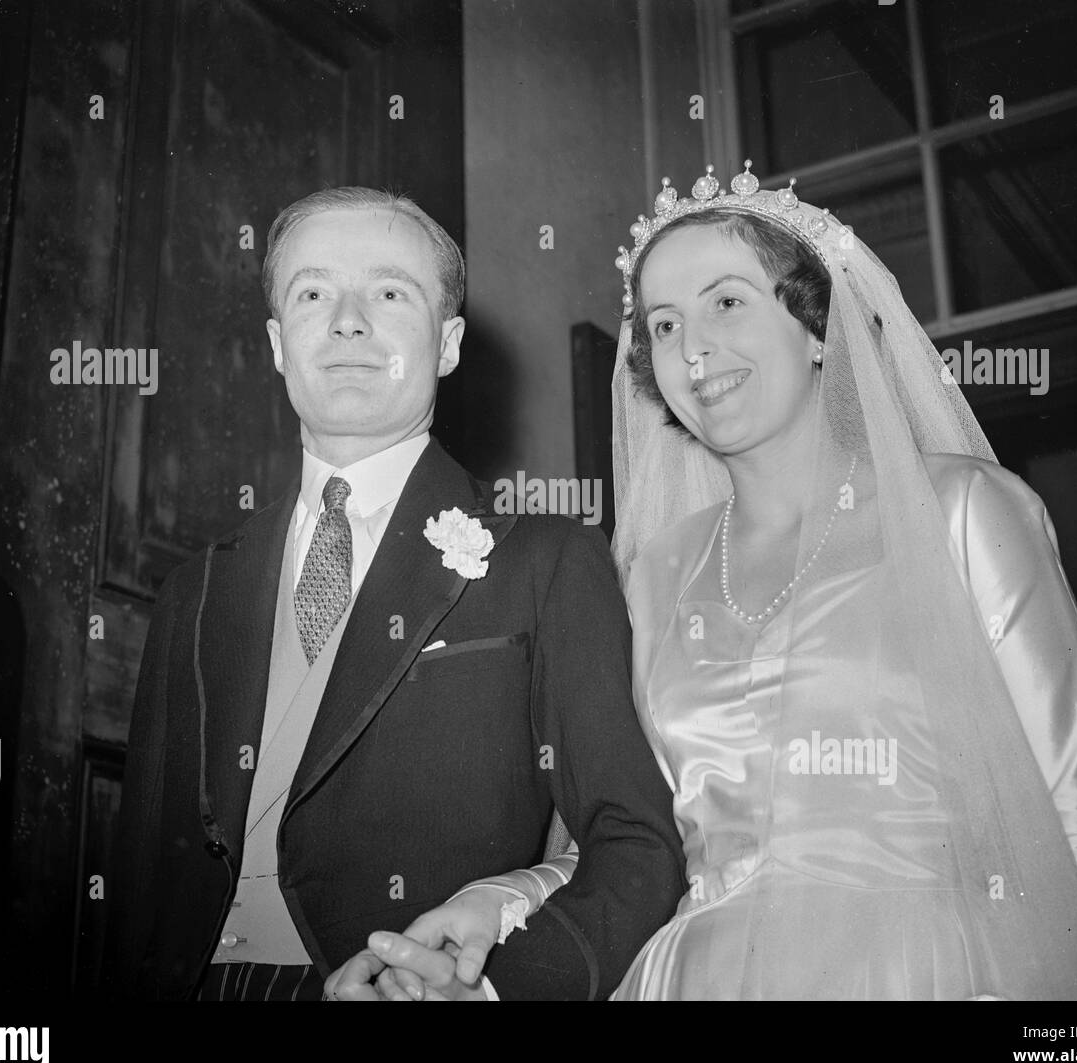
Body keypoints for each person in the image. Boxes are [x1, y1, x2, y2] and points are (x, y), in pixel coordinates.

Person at [377, 161, 1077, 1001]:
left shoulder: (963, 512)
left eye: (727, 303)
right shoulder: (647, 576)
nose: (693, 347)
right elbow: (635, 840)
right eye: (663, 326)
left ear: (819, 325)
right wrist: (502, 901)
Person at [103, 186, 684, 1002]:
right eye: (312, 293)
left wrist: (490, 992)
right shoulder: (193, 589)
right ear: (277, 343)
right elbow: (137, 875)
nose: (346, 320)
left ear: (447, 344)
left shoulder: (548, 560)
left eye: (387, 292)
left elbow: (637, 842)